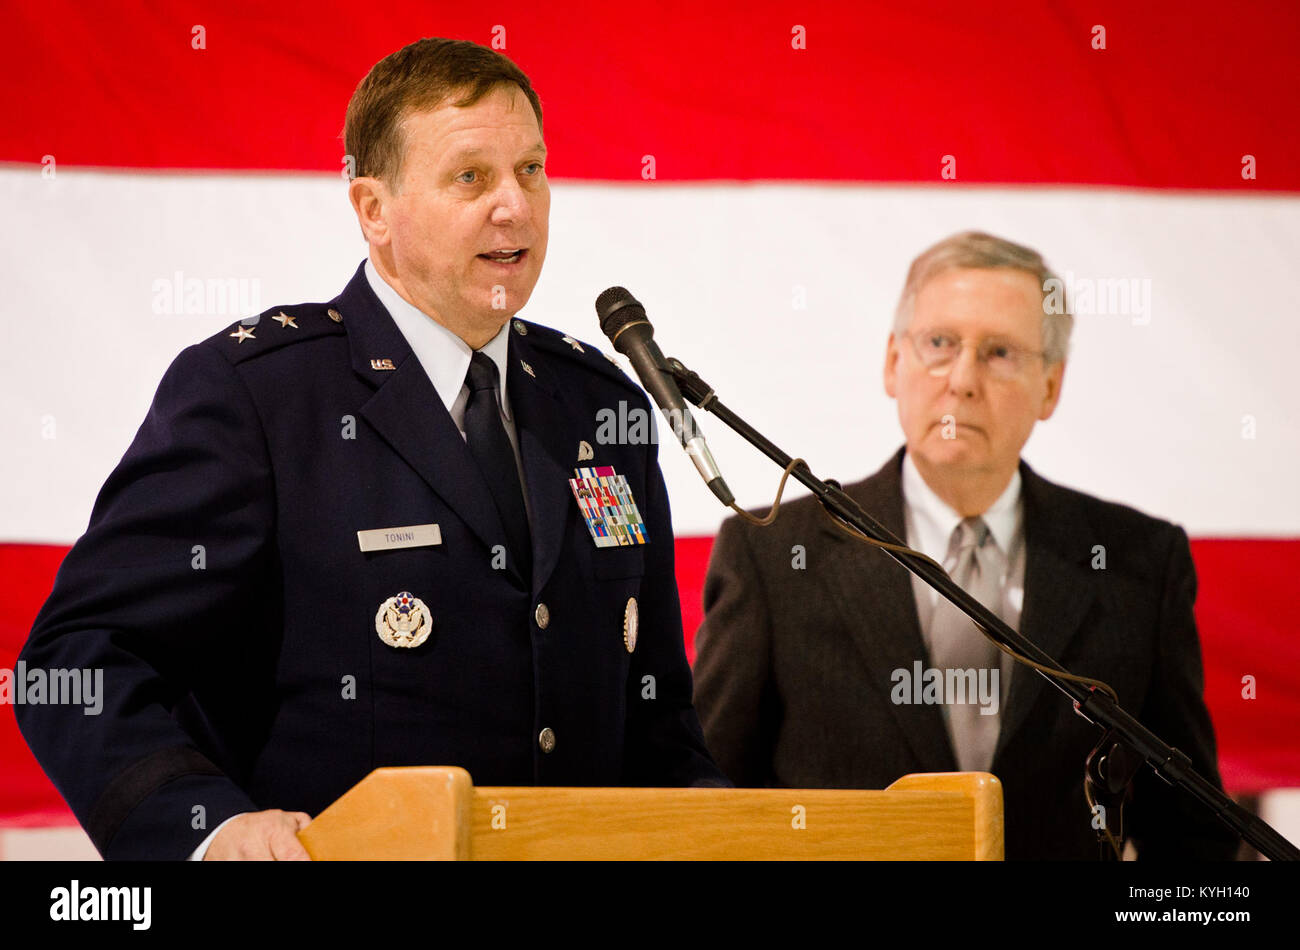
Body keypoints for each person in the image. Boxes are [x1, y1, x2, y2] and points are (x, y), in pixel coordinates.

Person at [17, 37, 726, 861]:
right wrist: (205, 828)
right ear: (372, 208)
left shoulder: (598, 404)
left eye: (530, 170)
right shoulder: (260, 396)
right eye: (471, 177)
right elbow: (76, 662)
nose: (515, 206)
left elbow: (657, 716)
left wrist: (713, 829)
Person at [692, 231, 1239, 860]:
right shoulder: (772, 556)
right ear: (893, 363)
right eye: (940, 344)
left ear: (1052, 387)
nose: (963, 380)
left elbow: (1194, 835)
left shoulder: (1140, 563)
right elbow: (712, 806)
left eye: (1001, 352)